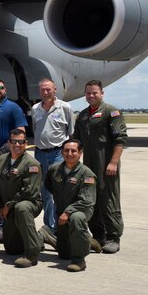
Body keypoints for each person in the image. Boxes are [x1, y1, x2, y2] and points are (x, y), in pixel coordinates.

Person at [72, 80, 127, 254]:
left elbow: (120, 140)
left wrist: (113, 162)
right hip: (89, 166)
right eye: (88, 93)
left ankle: (113, 237)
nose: (91, 96)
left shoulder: (111, 112)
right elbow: (77, 141)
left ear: (102, 93)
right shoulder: (82, 115)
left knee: (108, 199)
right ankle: (98, 235)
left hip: (107, 165)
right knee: (91, 199)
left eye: (94, 93)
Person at [44, 139, 98, 272]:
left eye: (73, 151)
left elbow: (87, 201)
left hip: (82, 211)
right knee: (63, 254)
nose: (69, 153)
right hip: (61, 212)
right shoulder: (54, 169)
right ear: (62, 152)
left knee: (76, 218)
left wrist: (68, 212)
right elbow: (49, 186)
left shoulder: (87, 174)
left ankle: (79, 260)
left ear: (80, 153)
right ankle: (86, 239)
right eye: (66, 150)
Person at [31, 77, 74, 245]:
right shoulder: (36, 108)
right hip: (40, 154)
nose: (45, 92)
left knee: (58, 191)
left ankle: (59, 227)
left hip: (57, 153)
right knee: (45, 192)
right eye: (42, 89)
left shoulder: (65, 107)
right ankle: (49, 226)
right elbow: (36, 131)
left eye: (48, 89)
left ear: (55, 90)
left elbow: (70, 134)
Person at [0, 130, 43, 267]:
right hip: (7, 208)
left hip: (29, 204)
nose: (17, 144)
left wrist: (8, 206)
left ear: (26, 144)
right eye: (14, 141)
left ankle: (32, 254)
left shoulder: (32, 164)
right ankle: (40, 237)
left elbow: (29, 192)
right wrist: (0, 207)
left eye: (21, 142)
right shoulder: (0, 161)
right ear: (9, 143)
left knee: (22, 208)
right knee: (11, 249)